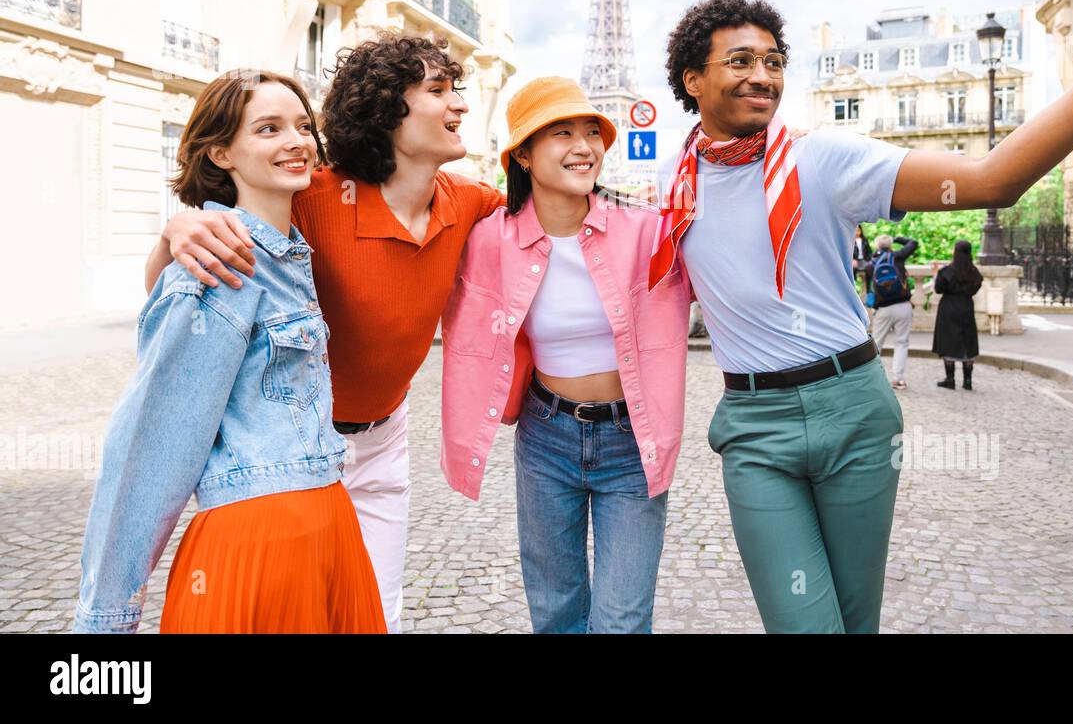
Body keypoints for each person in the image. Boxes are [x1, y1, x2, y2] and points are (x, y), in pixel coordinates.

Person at [651, 0, 1073, 633]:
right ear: (691, 79)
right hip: (755, 429)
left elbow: (995, 177)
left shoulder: (823, 160)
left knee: (856, 624)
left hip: (853, 408)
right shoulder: (673, 190)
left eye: (773, 61)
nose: (763, 75)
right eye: (740, 61)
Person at [143, 33, 504, 633]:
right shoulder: (312, 197)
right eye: (437, 91)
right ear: (385, 111)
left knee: (375, 618)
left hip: (386, 437)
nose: (459, 105)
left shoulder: (469, 201)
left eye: (455, 89)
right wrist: (176, 230)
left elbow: (551, 212)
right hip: (294, 451)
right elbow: (192, 265)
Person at [76, 70, 385, 633]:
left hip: (330, 523)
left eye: (302, 125)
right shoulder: (219, 267)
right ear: (221, 153)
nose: (296, 141)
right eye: (268, 129)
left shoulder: (290, 251)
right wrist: (105, 622)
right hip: (257, 540)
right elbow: (151, 445)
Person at [440, 77, 691, 633]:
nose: (584, 146)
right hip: (545, 436)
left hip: (632, 438)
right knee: (555, 608)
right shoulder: (488, 239)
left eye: (591, 133)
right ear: (523, 155)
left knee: (622, 618)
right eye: (561, 133)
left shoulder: (648, 231)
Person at [867, 233, 919, 389]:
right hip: (903, 306)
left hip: (883, 309)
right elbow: (913, 242)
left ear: (877, 246)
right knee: (901, 342)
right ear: (890, 246)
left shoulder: (871, 264)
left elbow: (869, 288)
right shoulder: (898, 256)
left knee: (876, 343)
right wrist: (897, 239)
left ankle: (873, 378)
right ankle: (898, 379)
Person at [931, 240, 983, 390]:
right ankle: (968, 381)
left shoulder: (947, 271)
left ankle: (950, 379)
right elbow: (976, 286)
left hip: (948, 307)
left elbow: (939, 288)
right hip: (966, 306)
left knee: (948, 340)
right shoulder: (974, 272)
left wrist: (936, 273)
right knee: (968, 340)